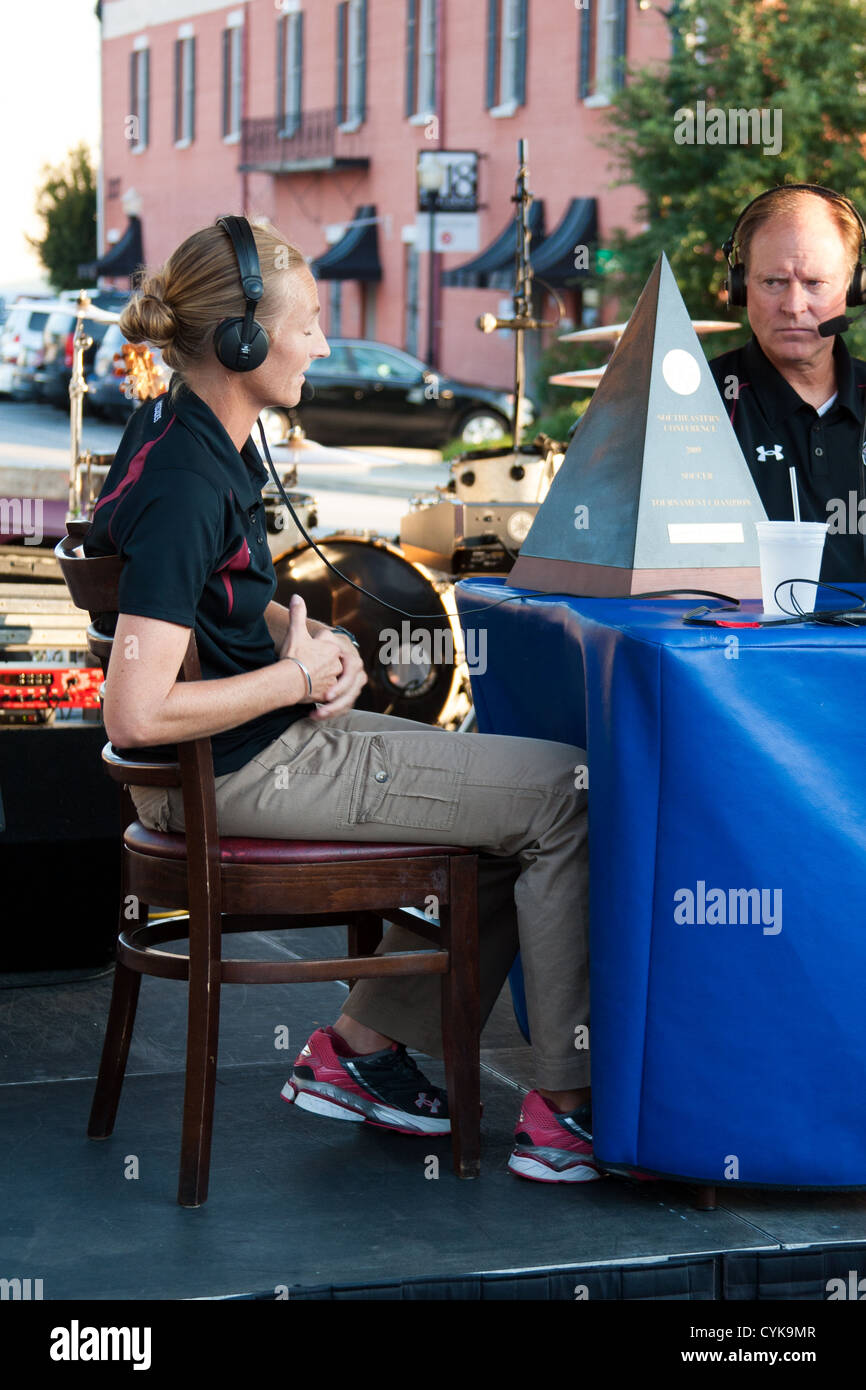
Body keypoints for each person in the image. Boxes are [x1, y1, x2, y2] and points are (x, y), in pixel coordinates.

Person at [83, 215, 599, 1185]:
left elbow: (219, 592)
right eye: (308, 322)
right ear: (240, 339)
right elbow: (135, 713)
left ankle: (359, 1052)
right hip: (243, 766)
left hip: (254, 744)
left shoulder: (187, 433)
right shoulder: (191, 479)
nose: (322, 343)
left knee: (510, 799)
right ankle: (565, 1109)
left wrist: (299, 636)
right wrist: (293, 679)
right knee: (561, 791)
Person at [709, 184, 866, 583]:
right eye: (773, 281)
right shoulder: (695, 402)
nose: (794, 306)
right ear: (740, 287)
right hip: (741, 644)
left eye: (815, 283)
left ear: (853, 289)